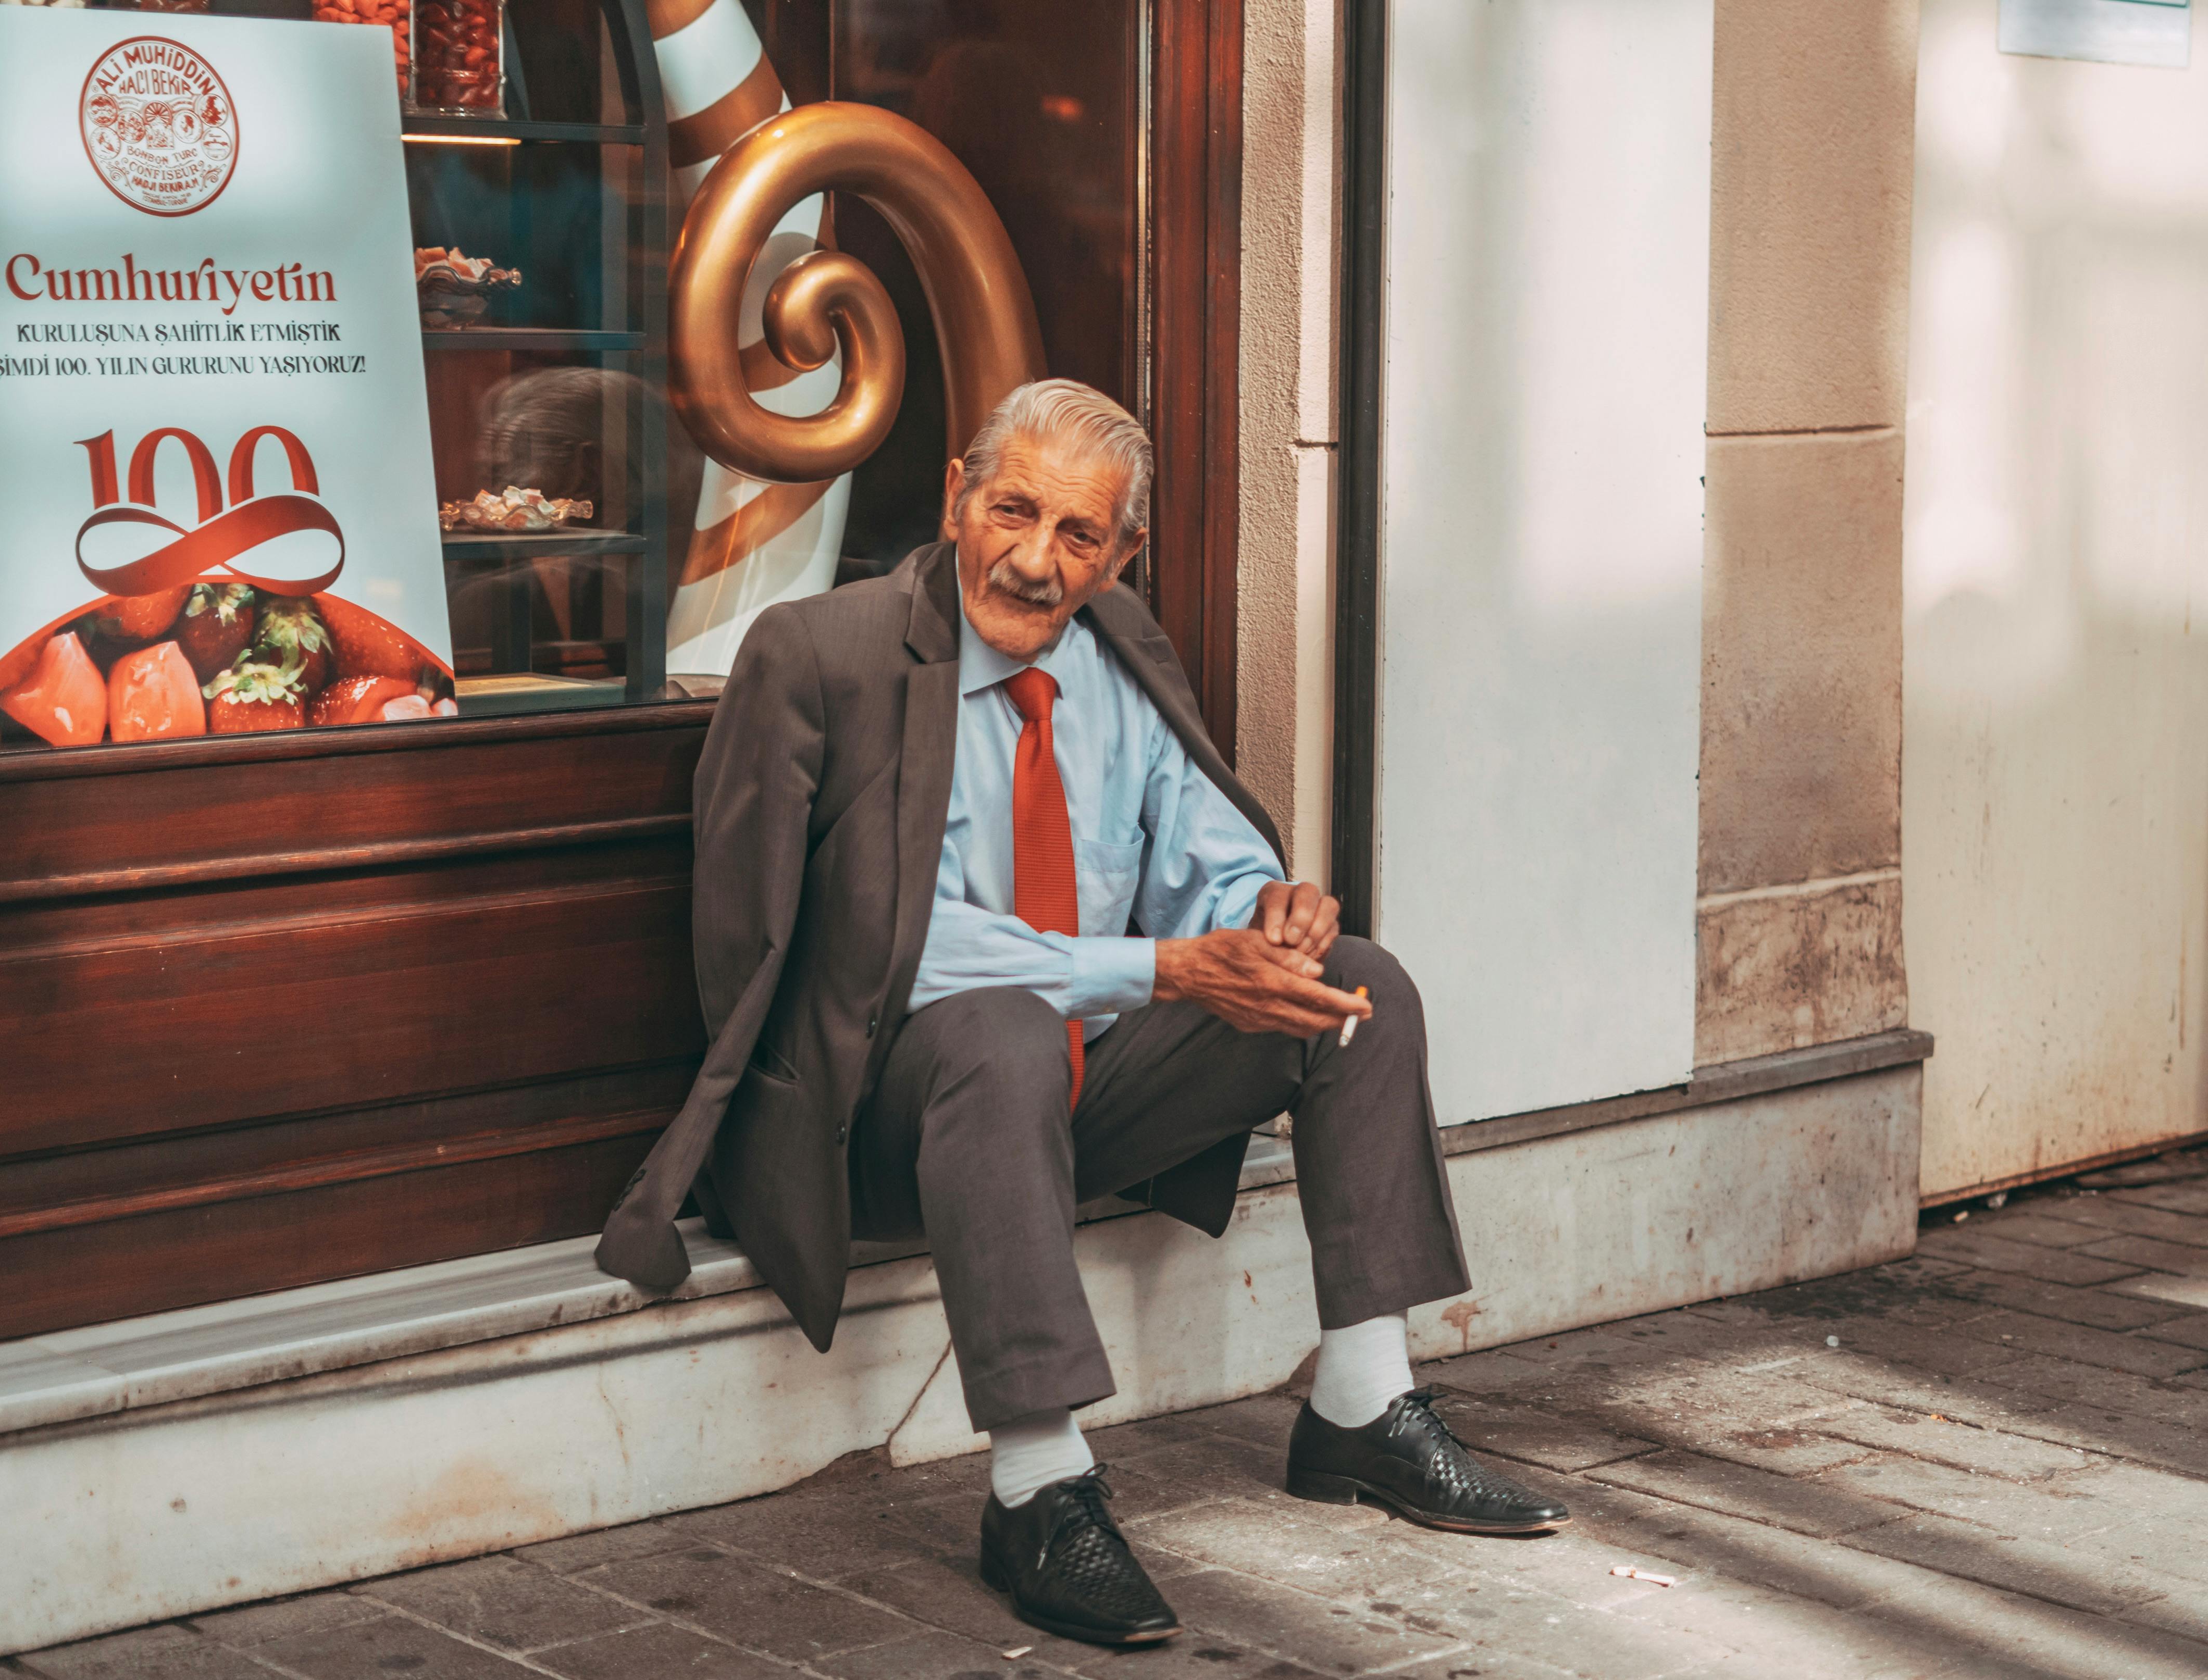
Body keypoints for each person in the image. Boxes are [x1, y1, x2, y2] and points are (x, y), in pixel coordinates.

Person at [596, 379, 1569, 1648]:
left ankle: (1362, 1404)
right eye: (1011, 511)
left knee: (1357, 991)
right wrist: (1163, 972)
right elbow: (838, 954)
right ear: (956, 496)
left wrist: (1266, 911)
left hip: (1075, 1095)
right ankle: (1040, 1488)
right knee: (998, 1025)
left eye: (1076, 535)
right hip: (879, 1115)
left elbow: (1205, 858)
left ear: (1122, 552)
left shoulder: (1116, 649)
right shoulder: (816, 655)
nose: (1034, 559)